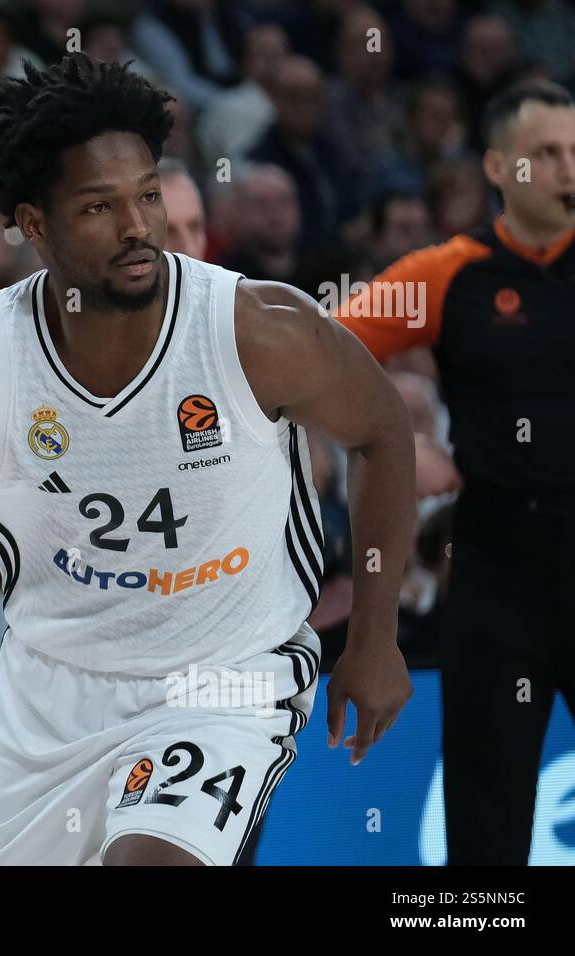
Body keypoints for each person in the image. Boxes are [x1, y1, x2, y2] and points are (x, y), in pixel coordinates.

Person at [0, 54, 414, 866]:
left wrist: (376, 634)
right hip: (53, 700)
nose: (136, 227)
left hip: (227, 678)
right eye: (98, 206)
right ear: (36, 224)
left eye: (147, 195)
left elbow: (384, 433)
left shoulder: (256, 330)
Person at [335, 79, 575, 865]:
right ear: (500, 168)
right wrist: (405, 443)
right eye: (549, 153)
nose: (570, 168)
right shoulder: (454, 271)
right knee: (486, 818)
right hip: (499, 573)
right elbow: (321, 355)